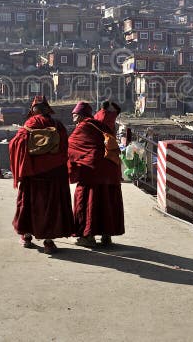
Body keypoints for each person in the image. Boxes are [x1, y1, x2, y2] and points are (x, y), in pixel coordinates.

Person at [9, 95, 74, 254]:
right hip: (54, 174)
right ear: (47, 109)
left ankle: (27, 237)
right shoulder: (58, 125)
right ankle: (49, 242)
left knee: (29, 205)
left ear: (33, 110)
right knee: (51, 206)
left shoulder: (30, 124)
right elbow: (66, 147)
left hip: (33, 173)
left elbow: (16, 145)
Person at [67, 100, 124, 248]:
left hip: (93, 170)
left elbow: (70, 146)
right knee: (107, 200)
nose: (73, 119)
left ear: (79, 116)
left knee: (86, 200)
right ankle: (107, 235)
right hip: (111, 167)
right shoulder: (100, 124)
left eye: (74, 116)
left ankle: (87, 236)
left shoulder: (84, 126)